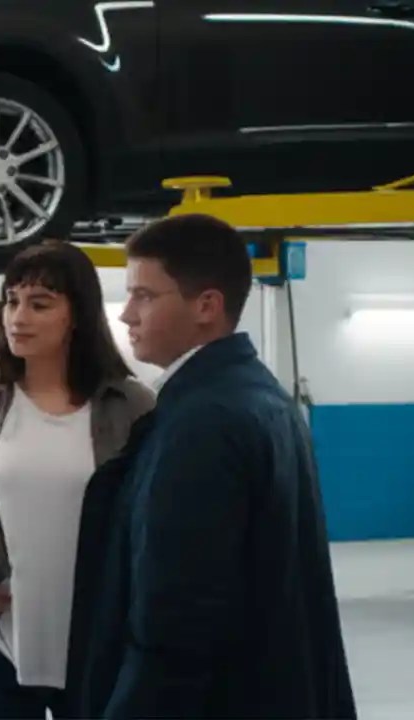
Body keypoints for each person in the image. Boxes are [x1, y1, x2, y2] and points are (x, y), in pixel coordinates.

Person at [64, 213, 357, 719]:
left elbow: (175, 618)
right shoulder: (263, 399)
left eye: (145, 296)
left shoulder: (200, 422)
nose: (126, 315)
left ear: (207, 306)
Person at [0, 240, 155, 720]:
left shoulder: (131, 406)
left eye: (39, 304)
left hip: (95, 640)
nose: (17, 317)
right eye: (11, 301)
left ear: (77, 316)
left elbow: (150, 516)